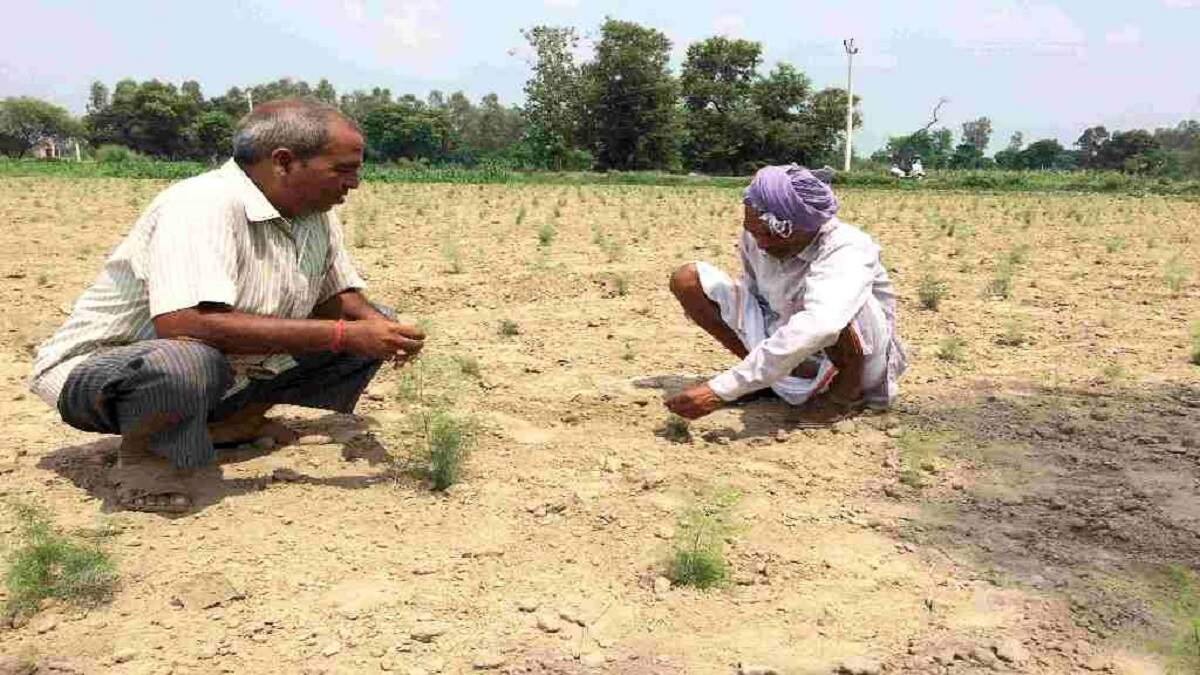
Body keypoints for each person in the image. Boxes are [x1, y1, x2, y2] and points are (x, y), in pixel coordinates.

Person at [28, 99, 424, 512]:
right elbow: (185, 324)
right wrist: (344, 334)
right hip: (108, 374)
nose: (355, 183)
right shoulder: (201, 204)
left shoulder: (313, 213)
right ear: (284, 162)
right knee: (185, 360)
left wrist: (381, 330)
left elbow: (338, 298)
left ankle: (225, 423)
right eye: (342, 170)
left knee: (371, 328)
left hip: (217, 367)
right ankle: (151, 462)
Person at [665, 164, 906, 426]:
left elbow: (821, 325)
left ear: (808, 227)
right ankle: (773, 380)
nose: (761, 244)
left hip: (853, 357)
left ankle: (844, 395)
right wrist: (759, 367)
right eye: (754, 232)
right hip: (786, 332)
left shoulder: (847, 247)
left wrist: (723, 389)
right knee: (688, 280)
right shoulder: (755, 236)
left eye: (771, 234)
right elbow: (758, 296)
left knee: (838, 309)